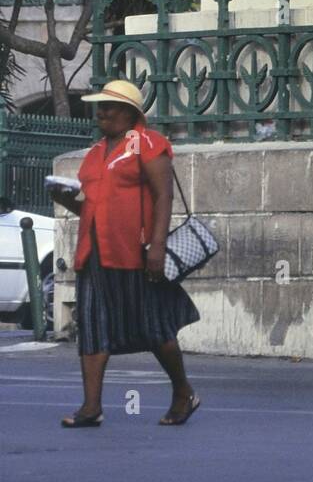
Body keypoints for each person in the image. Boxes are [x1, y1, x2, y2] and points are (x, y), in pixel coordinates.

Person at [48, 78, 200, 428]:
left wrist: (157, 246)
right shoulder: (96, 151)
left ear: (130, 112)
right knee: (92, 327)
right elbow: (92, 206)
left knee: (155, 328)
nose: (101, 112)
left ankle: (183, 392)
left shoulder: (148, 144)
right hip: (95, 253)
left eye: (109, 106)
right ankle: (91, 407)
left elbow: (164, 197)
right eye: (99, 106)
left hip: (136, 250)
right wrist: (67, 199)